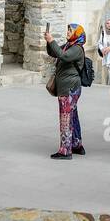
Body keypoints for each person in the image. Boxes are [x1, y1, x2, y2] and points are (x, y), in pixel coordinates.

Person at [43, 24, 86, 159]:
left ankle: (65, 150)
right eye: (67, 30)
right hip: (68, 87)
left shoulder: (77, 49)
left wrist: (51, 40)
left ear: (77, 34)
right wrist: (48, 42)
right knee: (72, 116)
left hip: (69, 88)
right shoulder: (69, 45)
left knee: (65, 118)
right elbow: (53, 52)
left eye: (70, 30)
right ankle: (76, 144)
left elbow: (63, 56)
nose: (67, 32)